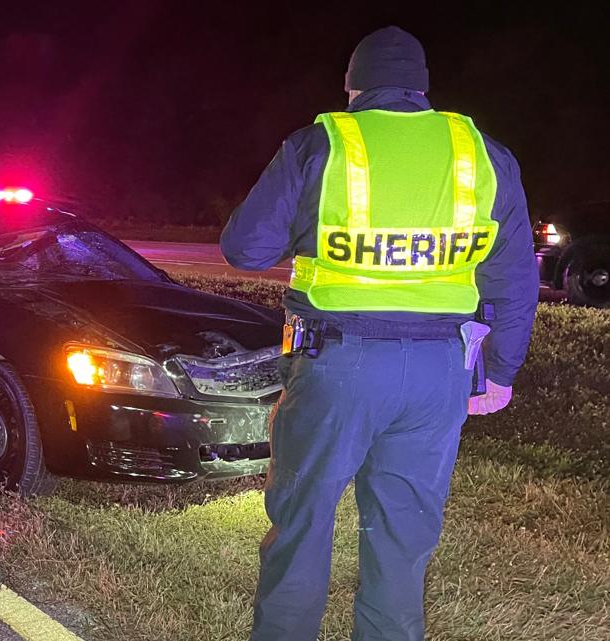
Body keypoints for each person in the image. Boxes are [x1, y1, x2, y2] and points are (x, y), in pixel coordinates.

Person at [220, 26, 537, 641]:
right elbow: (516, 280)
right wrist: (499, 372)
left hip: (337, 366)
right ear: (422, 88)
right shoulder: (480, 154)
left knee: (303, 521)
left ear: (352, 87)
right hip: (438, 374)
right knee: (402, 537)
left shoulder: (321, 145)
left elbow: (244, 248)